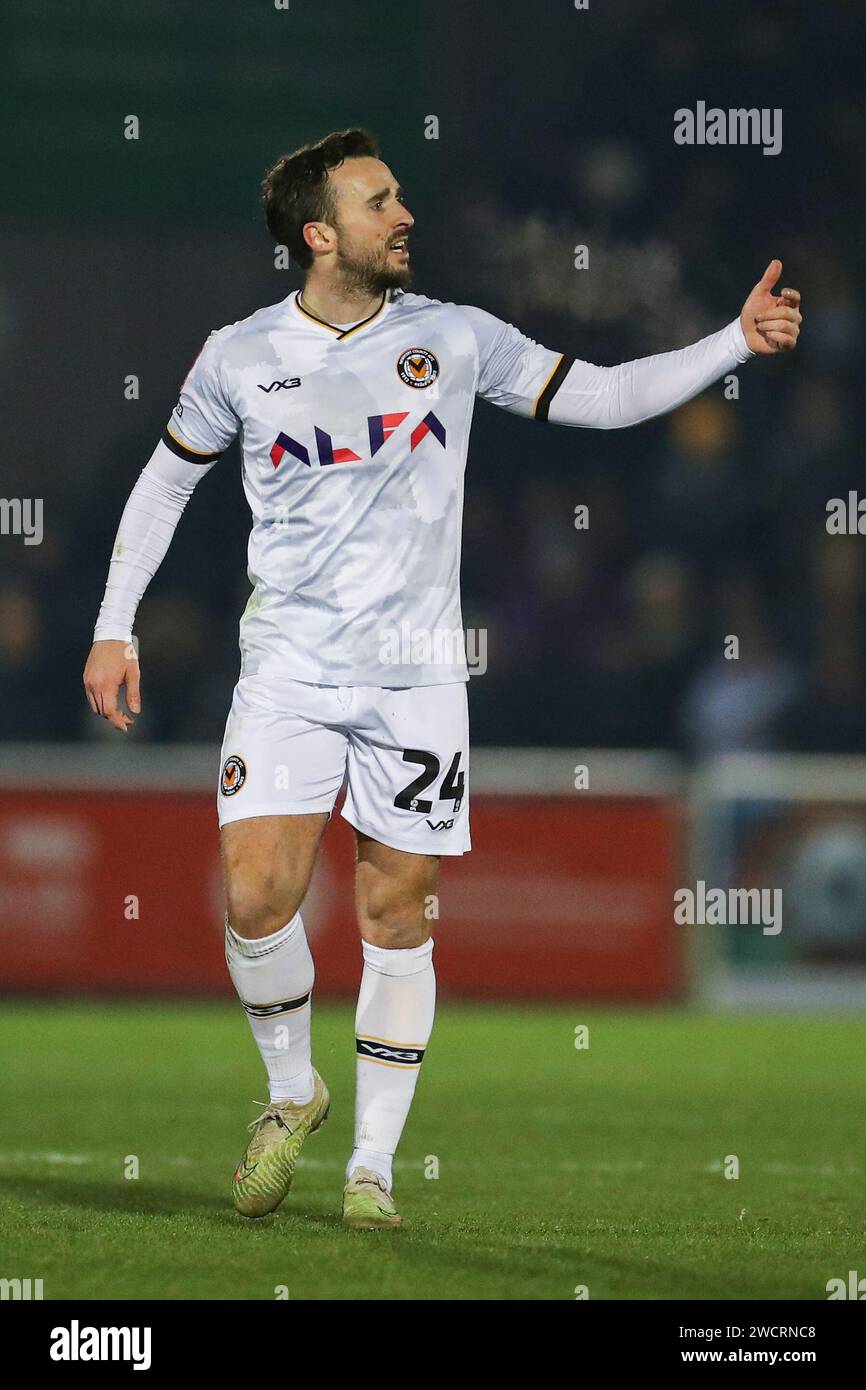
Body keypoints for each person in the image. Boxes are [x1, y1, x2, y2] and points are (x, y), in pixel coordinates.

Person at [82, 127, 802, 1230]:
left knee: (397, 906)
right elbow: (163, 486)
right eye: (380, 202)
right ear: (320, 234)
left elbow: (600, 396)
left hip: (416, 678)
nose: (405, 215)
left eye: (401, 195)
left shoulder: (455, 339)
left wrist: (731, 345)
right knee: (255, 892)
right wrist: (113, 623)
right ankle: (290, 1095)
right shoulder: (236, 356)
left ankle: (371, 1165)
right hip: (286, 666)